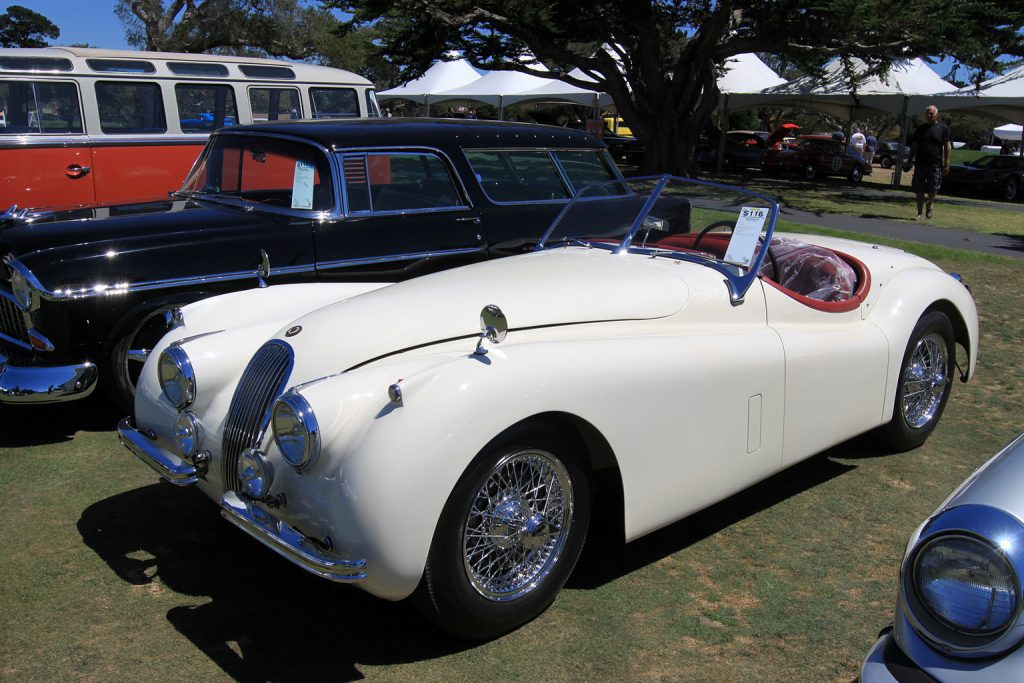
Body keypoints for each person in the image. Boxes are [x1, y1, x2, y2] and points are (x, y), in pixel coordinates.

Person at [905, 105, 952, 222]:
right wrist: (909, 160)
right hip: (920, 164)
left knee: (933, 188)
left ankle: (930, 204)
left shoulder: (943, 129)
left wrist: (947, 163)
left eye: (931, 113)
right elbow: (914, 146)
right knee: (919, 189)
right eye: (927, 113)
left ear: (937, 115)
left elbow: (947, 147)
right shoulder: (920, 129)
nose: (929, 115)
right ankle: (919, 213)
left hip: (935, 164)